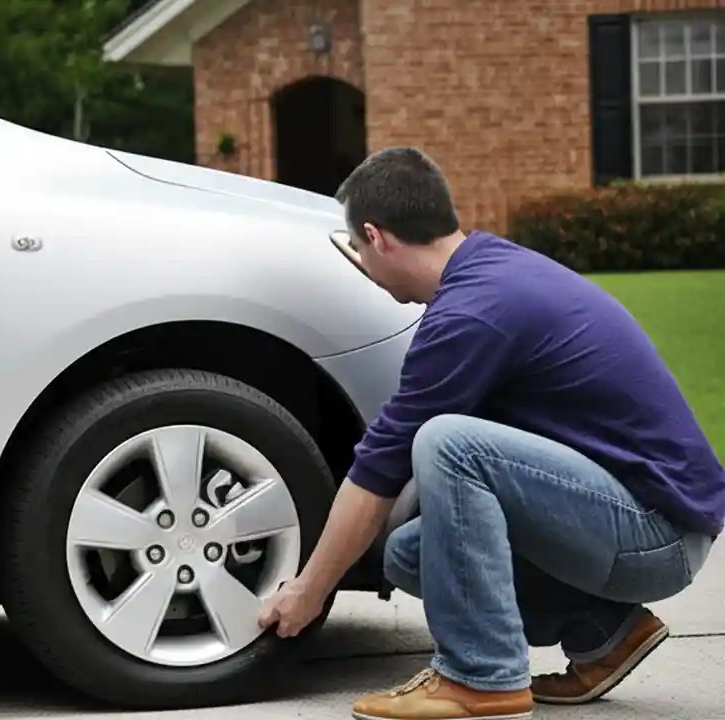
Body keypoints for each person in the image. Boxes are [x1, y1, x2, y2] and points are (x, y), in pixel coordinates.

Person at [257, 147, 724, 720]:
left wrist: (308, 591)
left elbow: (379, 466)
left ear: (376, 238)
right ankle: (605, 633)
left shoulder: (471, 312)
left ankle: (481, 677)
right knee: (412, 552)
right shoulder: (489, 269)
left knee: (449, 442)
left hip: (658, 535)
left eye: (356, 247)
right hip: (642, 517)